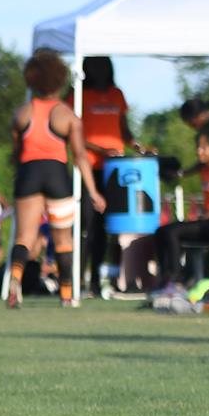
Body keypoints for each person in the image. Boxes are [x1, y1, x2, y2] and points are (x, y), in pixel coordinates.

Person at [8, 49, 105, 308]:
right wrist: (94, 192)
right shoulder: (67, 115)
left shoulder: (22, 113)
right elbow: (81, 156)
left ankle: (14, 279)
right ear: (60, 79)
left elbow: (16, 154)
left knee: (24, 238)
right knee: (63, 239)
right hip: (56, 175)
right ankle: (66, 293)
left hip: (28, 174)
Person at [153, 126, 209, 294]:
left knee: (171, 232)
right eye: (197, 147)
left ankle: (175, 281)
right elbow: (190, 170)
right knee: (161, 231)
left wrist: (198, 218)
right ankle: (165, 278)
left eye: (203, 147)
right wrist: (176, 173)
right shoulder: (206, 168)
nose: (199, 151)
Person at [79, 57, 137, 299]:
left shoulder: (117, 94)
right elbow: (75, 135)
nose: (99, 70)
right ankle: (78, 280)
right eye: (94, 65)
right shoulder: (79, 95)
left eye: (103, 65)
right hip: (89, 168)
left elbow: (123, 127)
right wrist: (101, 151)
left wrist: (133, 143)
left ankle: (100, 281)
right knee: (87, 226)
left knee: (107, 228)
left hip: (115, 170)